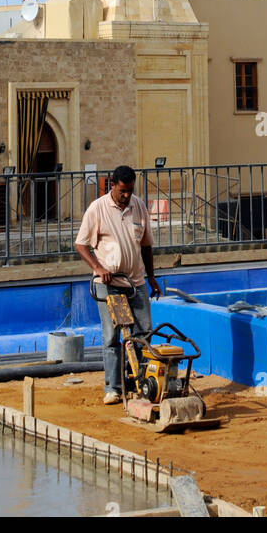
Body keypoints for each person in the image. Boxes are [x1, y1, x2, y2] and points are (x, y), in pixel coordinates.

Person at [75, 165, 162, 405]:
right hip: (109, 282)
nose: (126, 196)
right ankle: (113, 387)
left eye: (130, 191)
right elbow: (81, 245)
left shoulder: (138, 206)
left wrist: (152, 278)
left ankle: (141, 382)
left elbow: (146, 246)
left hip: (136, 281)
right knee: (113, 335)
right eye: (122, 191)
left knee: (144, 331)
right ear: (112, 185)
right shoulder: (97, 209)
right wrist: (98, 268)